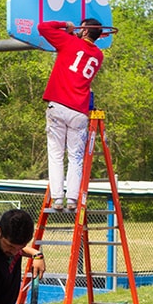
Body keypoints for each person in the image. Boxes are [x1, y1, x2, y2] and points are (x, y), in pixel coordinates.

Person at [38, 16, 105, 212]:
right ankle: (73, 199)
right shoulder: (98, 56)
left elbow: (43, 26)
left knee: (56, 154)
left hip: (59, 105)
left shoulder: (68, 41)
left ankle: (58, 198)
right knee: (76, 157)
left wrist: (65, 26)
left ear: (84, 31)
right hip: (79, 110)